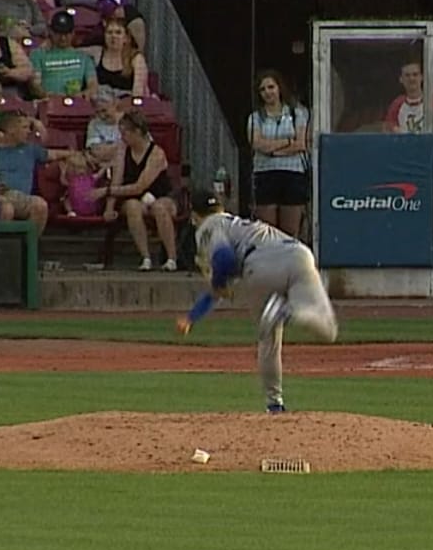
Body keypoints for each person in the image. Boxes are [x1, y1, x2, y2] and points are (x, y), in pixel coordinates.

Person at [175, 189, 339, 414]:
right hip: (299, 254)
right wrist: (195, 313)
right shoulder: (239, 224)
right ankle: (288, 312)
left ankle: (275, 404)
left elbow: (224, 259)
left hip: (260, 265)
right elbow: (220, 281)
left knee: (268, 338)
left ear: (194, 215)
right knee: (328, 331)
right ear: (221, 208)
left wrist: (218, 285)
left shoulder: (208, 227)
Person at [99, 109, 180, 272]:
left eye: (125, 133)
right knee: (132, 207)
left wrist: (106, 191)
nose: (122, 137)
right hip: (133, 198)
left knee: (160, 208)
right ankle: (146, 257)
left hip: (159, 194)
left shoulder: (156, 153)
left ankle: (172, 259)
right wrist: (109, 207)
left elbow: (140, 186)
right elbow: (117, 179)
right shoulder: (123, 151)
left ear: (137, 132)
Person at [247, 69, 310, 239]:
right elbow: (258, 144)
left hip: (292, 174)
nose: (268, 92)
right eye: (263, 89)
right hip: (265, 174)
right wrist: (287, 142)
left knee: (290, 232)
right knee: (267, 232)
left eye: (271, 87)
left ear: (279, 88)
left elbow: (301, 143)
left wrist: (273, 150)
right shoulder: (255, 118)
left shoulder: (298, 113)